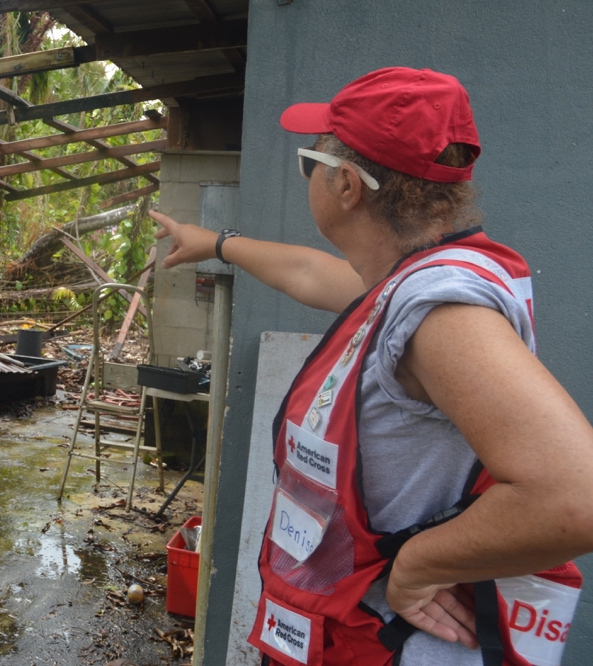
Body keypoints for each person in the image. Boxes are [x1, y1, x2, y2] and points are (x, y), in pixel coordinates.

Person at [150, 68, 593, 666]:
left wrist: (417, 566)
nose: (307, 175)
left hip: (391, 643)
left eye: (310, 162)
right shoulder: (408, 283)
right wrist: (217, 243)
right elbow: (310, 274)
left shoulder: (441, 311)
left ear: (347, 185)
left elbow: (576, 496)